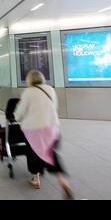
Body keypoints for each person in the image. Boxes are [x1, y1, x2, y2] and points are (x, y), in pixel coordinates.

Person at [13, 70, 73, 199]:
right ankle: (63, 181)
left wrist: (17, 117)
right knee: (50, 154)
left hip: (34, 129)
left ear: (29, 80)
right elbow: (54, 106)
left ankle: (36, 178)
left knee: (33, 152)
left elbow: (20, 112)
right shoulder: (50, 89)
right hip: (52, 128)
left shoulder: (29, 92)